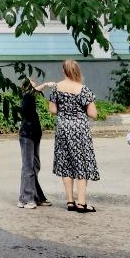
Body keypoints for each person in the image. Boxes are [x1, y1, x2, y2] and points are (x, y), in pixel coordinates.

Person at [40, 60, 99, 212]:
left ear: (63, 71)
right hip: (79, 130)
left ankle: (70, 201)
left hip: (62, 128)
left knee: (66, 163)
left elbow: (52, 110)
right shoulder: (83, 89)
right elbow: (93, 114)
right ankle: (82, 202)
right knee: (81, 163)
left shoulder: (56, 88)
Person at [16, 78, 48, 209]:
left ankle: (36, 196)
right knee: (28, 167)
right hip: (27, 136)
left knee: (34, 166)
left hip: (33, 135)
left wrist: (45, 85)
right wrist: (45, 85)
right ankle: (26, 198)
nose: (35, 81)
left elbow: (35, 91)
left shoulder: (29, 96)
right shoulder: (27, 97)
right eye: (32, 80)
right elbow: (33, 91)